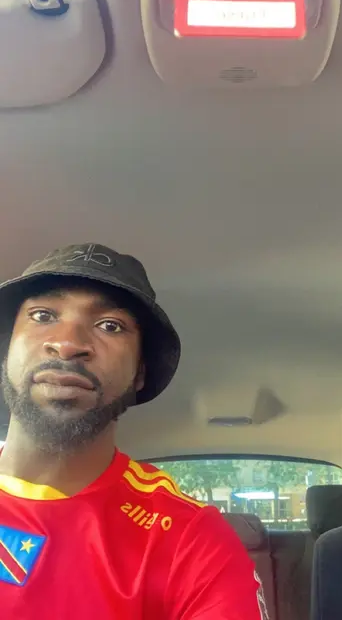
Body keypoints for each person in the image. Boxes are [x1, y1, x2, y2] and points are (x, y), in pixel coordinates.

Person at [0, 243, 268, 619]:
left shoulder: (190, 539)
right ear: (6, 351)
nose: (67, 344)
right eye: (43, 315)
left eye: (110, 325)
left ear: (139, 373)